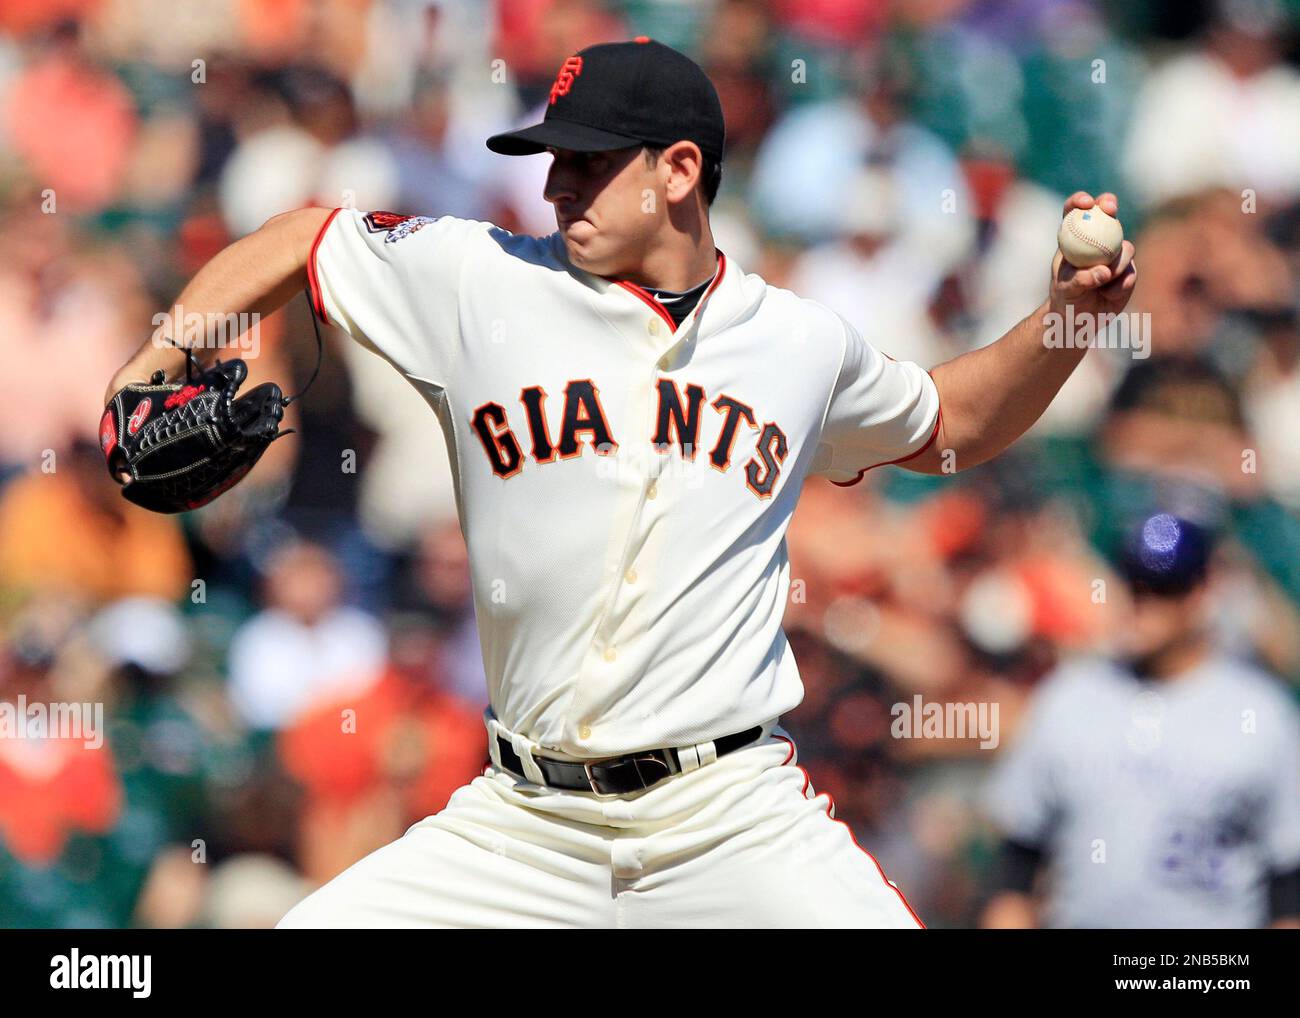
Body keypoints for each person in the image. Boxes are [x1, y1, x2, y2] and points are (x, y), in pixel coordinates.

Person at [104, 39, 1137, 928]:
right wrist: (158, 362)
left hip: (728, 815)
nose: (555, 186)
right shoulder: (480, 278)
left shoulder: (796, 342)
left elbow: (951, 422)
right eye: (553, 159)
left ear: (679, 169)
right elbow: (306, 238)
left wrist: (1067, 323)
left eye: (588, 164)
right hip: (523, 822)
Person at [981, 513, 1300, 929]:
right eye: (1134, 581)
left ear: (1201, 591)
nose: (1144, 599)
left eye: (1164, 586)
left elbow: (1288, 884)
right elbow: (1016, 863)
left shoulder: (1259, 713)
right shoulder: (1070, 696)